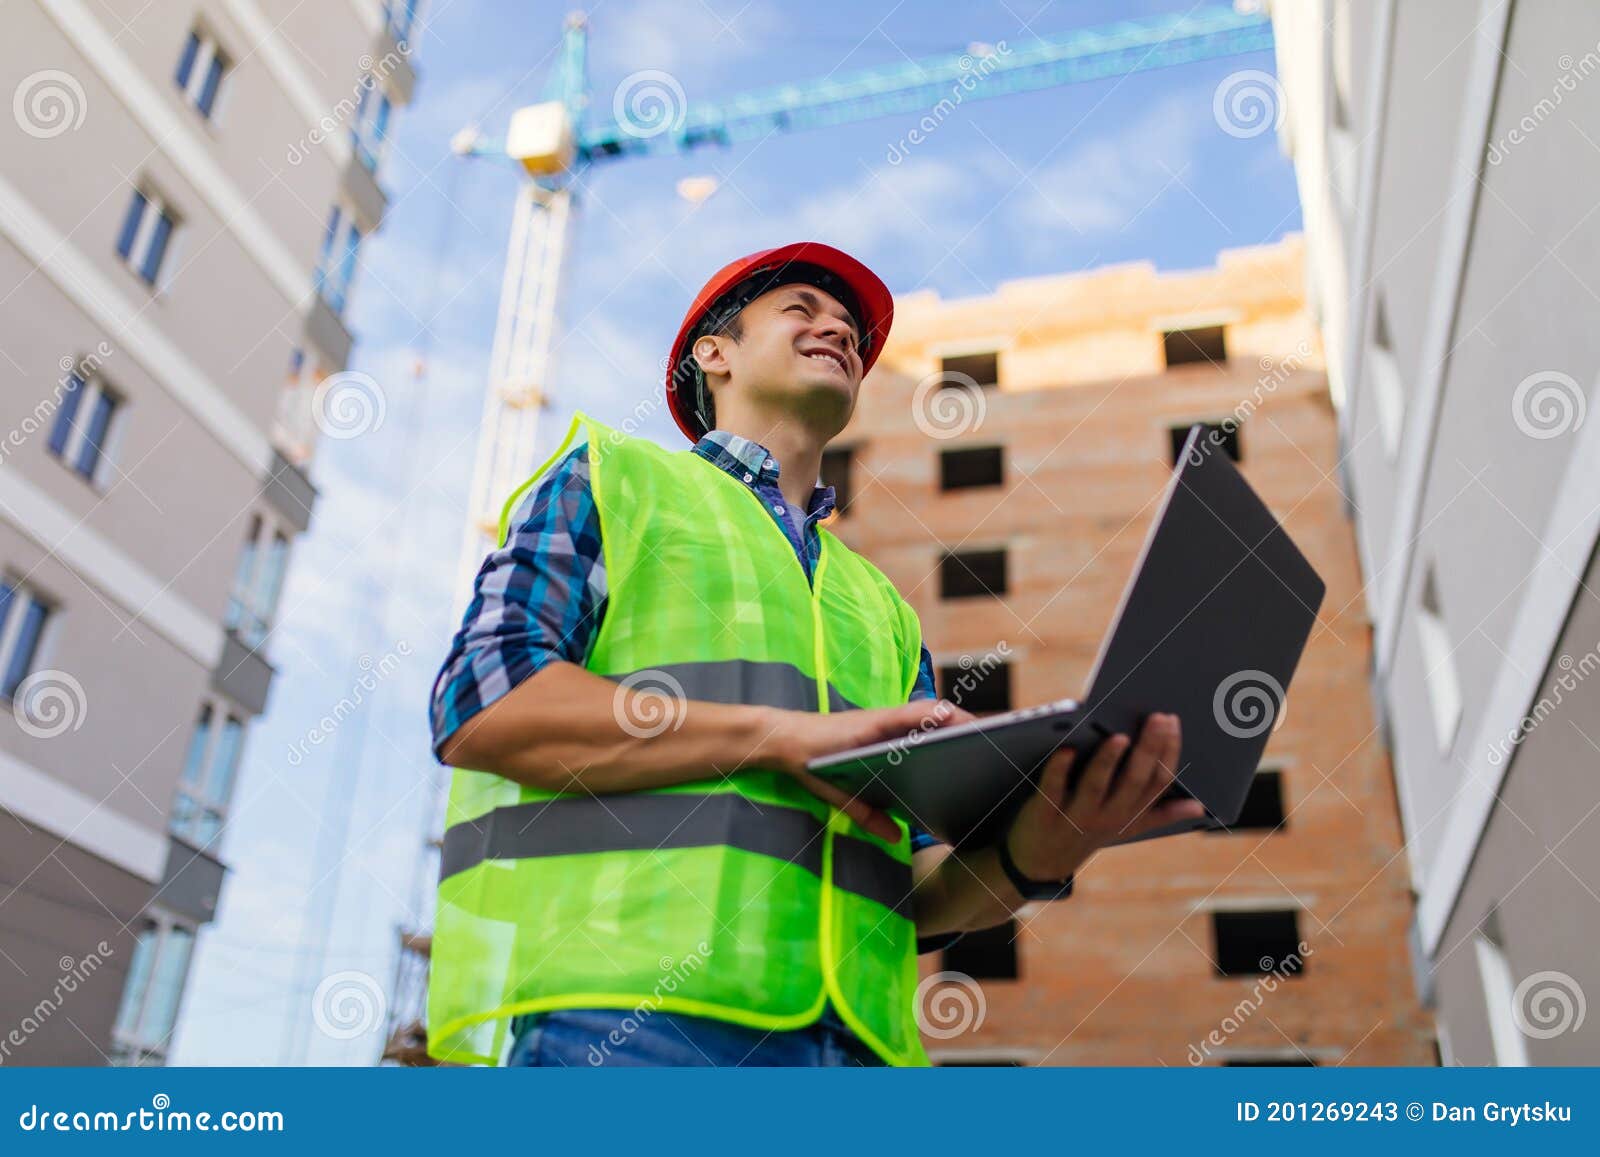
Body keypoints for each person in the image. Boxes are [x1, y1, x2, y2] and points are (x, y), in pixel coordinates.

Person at [426, 241, 1203, 1067]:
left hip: (860, 1049)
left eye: (851, 329)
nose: (837, 326)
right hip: (632, 1025)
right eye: (800, 308)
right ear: (713, 354)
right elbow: (482, 702)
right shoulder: (615, 482)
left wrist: (1032, 859)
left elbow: (914, 886)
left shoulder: (882, 609)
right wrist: (774, 736)